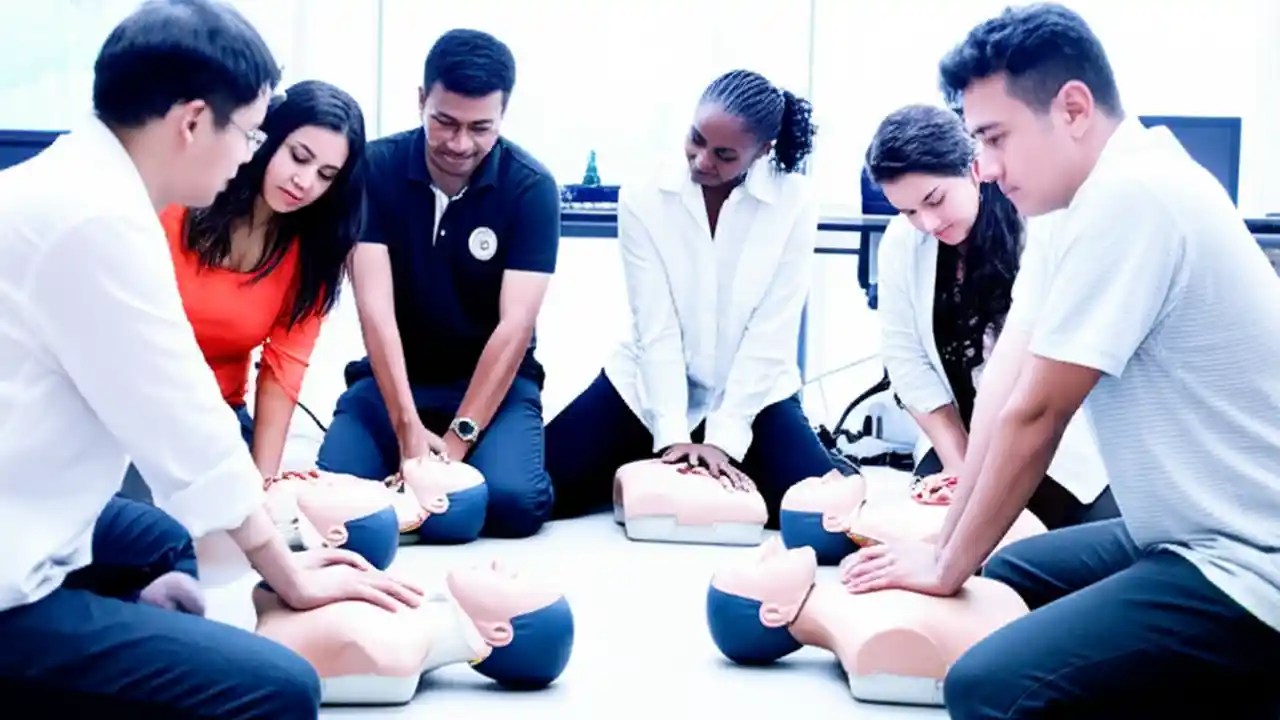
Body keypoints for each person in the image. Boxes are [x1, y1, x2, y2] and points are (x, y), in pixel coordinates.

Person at [840, 4, 1280, 717]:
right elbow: (1006, 395)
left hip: (1252, 558)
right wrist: (946, 548)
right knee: (1012, 569)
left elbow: (1041, 413)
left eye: (994, 137)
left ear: (1072, 108)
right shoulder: (1062, 214)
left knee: (985, 688)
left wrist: (946, 565)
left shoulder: (1133, 196)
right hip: (1180, 528)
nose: (983, 166)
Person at [0, 1, 420, 717]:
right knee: (281, 690)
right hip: (12, 574)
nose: (252, 154)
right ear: (193, 122)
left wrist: (264, 531)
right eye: (254, 132)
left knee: (164, 545)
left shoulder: (77, 181)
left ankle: (112, 619)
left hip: (29, 496)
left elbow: (242, 396)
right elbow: (188, 426)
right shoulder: (99, 224)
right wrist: (292, 575)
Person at [545, 69, 838, 524]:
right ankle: (642, 471)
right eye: (696, 139)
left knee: (821, 520)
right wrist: (671, 438)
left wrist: (722, 440)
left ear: (762, 151)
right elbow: (654, 327)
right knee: (531, 497)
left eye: (724, 154)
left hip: (752, 396)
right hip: (645, 389)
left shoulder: (795, 202)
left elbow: (770, 334)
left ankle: (728, 464)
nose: (702, 160)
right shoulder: (643, 198)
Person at [316, 28, 560, 539]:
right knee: (334, 490)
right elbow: (374, 310)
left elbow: (515, 328)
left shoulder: (531, 189)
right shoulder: (374, 170)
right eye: (444, 121)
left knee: (515, 504)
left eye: (480, 127)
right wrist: (407, 429)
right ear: (422, 100)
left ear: (503, 115)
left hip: (494, 382)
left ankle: (502, 453)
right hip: (391, 379)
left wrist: (454, 445)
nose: (459, 143)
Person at [867, 103, 1116, 530]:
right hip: (959, 442)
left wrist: (991, 478)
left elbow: (1052, 377)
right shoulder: (901, 246)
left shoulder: (1041, 225)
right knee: (919, 537)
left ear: (973, 168)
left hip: (1051, 444)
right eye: (907, 211)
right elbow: (906, 362)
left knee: (1061, 558)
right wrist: (960, 465)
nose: (926, 222)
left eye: (934, 200)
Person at [121, 79, 366, 503]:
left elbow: (282, 371)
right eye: (298, 157)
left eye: (326, 175)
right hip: (133, 412)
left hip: (217, 420)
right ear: (266, 139)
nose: (304, 181)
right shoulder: (182, 201)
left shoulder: (313, 252)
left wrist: (263, 485)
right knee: (154, 532)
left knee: (353, 528)